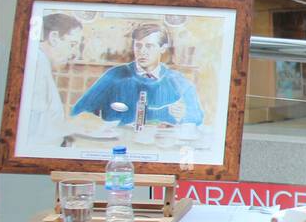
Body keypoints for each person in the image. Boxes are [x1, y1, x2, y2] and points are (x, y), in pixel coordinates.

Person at [71, 22, 204, 126]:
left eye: (149, 46)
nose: (142, 52)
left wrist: (184, 114)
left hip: (161, 149)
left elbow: (198, 117)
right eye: (138, 46)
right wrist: (96, 126)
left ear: (162, 48)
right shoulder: (115, 76)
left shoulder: (176, 80)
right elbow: (79, 111)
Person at [27, 13, 83, 146]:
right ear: (53, 38)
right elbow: (34, 131)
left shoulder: (41, 62)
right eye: (72, 44)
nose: (75, 53)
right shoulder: (37, 64)